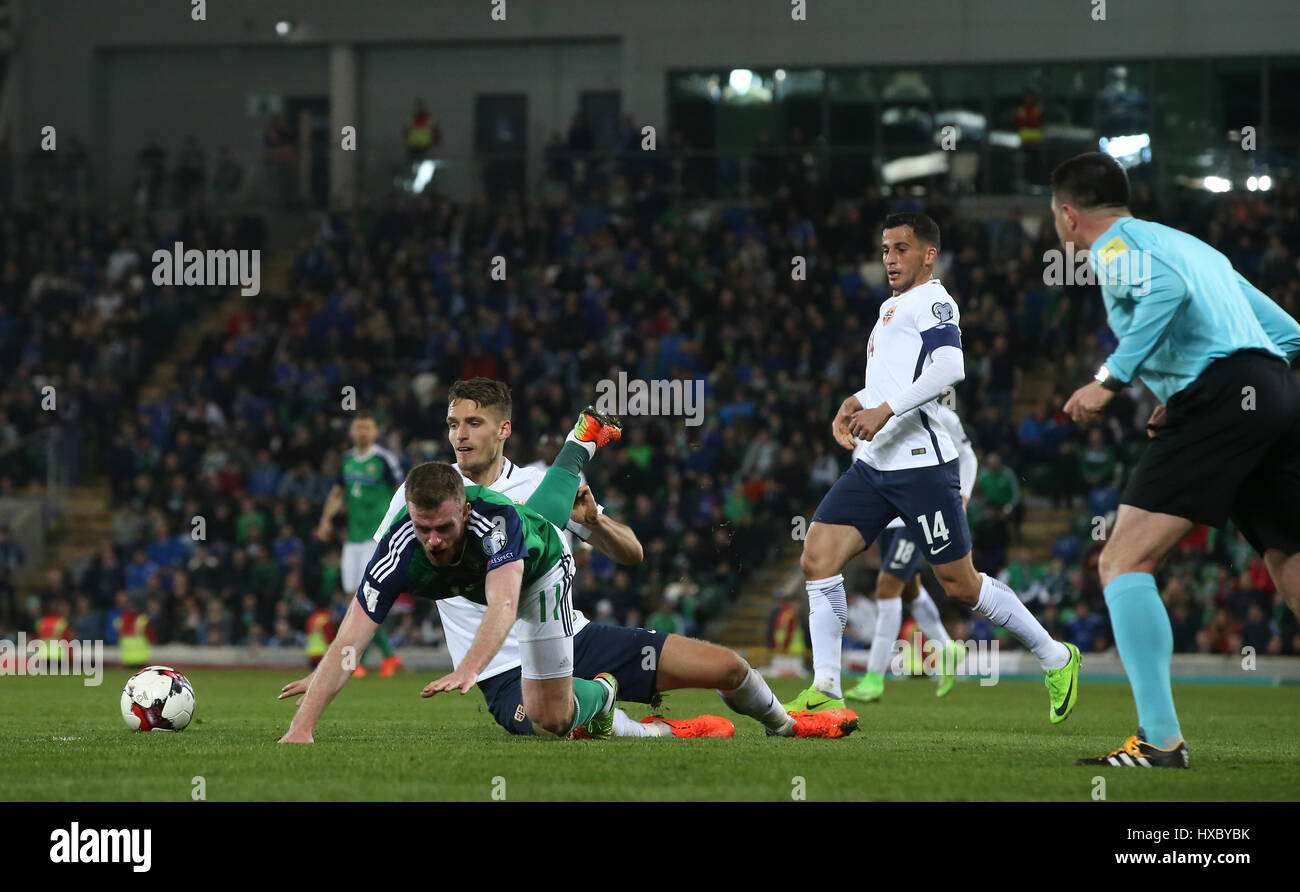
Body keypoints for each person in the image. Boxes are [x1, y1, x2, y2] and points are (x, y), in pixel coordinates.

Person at [282, 380, 857, 740]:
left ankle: (789, 724)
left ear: (503, 429)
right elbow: (381, 579)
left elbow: (631, 553)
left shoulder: (533, 485)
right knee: (553, 723)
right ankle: (647, 726)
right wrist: (335, 661)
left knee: (729, 668)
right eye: (454, 423)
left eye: (474, 423)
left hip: (574, 633)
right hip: (504, 672)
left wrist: (596, 521)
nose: (460, 434)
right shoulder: (428, 497)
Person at [1053, 151, 1300, 768]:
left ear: (1067, 216)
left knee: (1123, 558)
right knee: (1291, 561)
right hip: (1272, 393)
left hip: (1222, 397)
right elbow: (1290, 333)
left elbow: (1164, 291)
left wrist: (1111, 379)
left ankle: (1160, 740)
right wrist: (1226, 389)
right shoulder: (1195, 247)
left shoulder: (1111, 248)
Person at [791, 213, 1081, 722]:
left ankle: (1056, 656)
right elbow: (889, 380)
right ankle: (827, 688)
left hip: (922, 467)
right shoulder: (890, 306)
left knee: (960, 585)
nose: (890, 259)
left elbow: (951, 367)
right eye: (885, 249)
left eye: (901, 249)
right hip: (874, 467)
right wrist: (855, 400)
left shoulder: (934, 300)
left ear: (928, 254)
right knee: (817, 559)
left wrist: (884, 411)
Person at [788, 402, 976, 708]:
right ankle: (946, 648)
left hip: (912, 516)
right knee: (909, 588)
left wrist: (963, 497)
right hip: (884, 520)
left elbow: (967, 456)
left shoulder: (940, 416)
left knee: (886, 588)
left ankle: (874, 678)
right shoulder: (868, 412)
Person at [315, 412, 404, 677]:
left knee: (363, 598)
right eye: (358, 427)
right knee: (353, 600)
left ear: (376, 432)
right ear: (352, 432)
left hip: (375, 537)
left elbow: (402, 491)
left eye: (367, 427)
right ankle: (387, 657)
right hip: (352, 539)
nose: (362, 432)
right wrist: (325, 520)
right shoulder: (347, 461)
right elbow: (338, 492)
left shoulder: (383, 460)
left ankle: (362, 659)